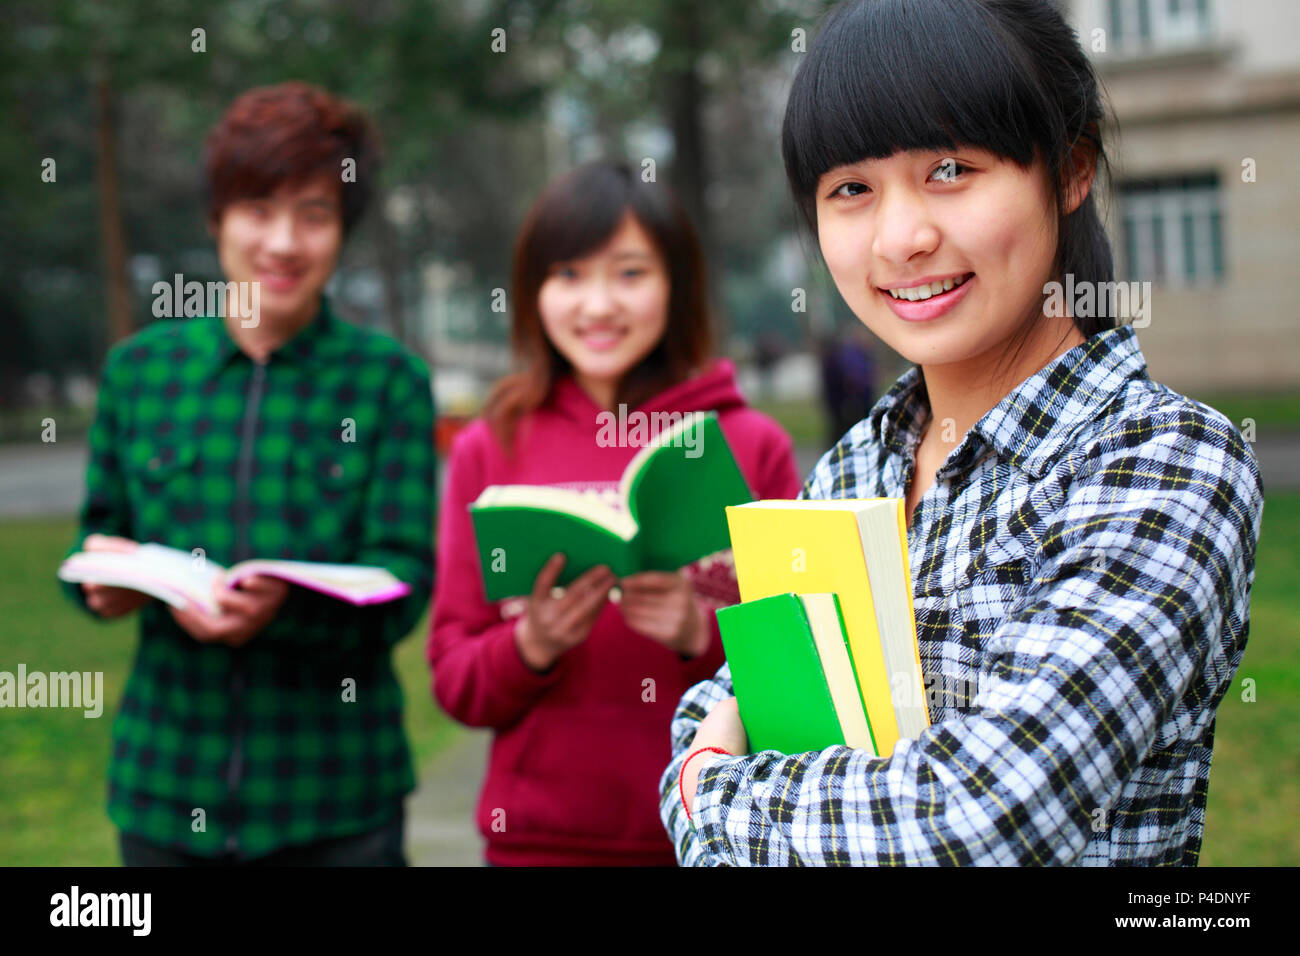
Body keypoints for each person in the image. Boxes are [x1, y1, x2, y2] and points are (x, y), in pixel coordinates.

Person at [662, 0, 1264, 866]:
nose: (903, 238)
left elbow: (974, 820)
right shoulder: (853, 469)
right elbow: (708, 709)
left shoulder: (1166, 462)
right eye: (851, 190)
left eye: (950, 168)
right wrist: (708, 764)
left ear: (1070, 170)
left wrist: (711, 787)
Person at [62, 81, 435, 865]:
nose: (283, 242)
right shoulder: (140, 373)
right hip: (167, 788)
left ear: (343, 231)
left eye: (314, 214)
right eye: (258, 209)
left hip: (338, 798)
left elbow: (404, 581)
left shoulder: (387, 381)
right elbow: (94, 540)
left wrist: (284, 613)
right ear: (217, 218)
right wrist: (101, 582)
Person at [428, 160, 802, 866]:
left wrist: (700, 638)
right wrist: (529, 645)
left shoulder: (752, 447)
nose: (597, 305)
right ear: (534, 289)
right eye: (568, 274)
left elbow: (802, 679)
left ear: (677, 286)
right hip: (538, 841)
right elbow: (453, 677)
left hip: (714, 838)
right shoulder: (490, 446)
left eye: (630, 273)